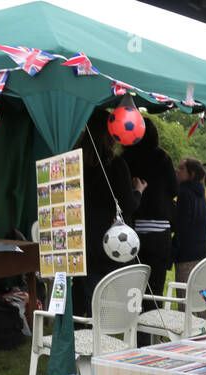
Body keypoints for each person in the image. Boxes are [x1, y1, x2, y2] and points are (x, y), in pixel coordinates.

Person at [74, 109, 142, 316]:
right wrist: (138, 191)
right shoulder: (116, 164)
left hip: (84, 237)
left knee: (89, 296)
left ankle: (88, 332)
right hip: (113, 239)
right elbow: (129, 205)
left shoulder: (74, 162)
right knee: (123, 295)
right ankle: (120, 329)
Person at [122, 118, 178, 299]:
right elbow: (174, 189)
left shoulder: (125, 158)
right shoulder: (164, 158)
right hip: (160, 232)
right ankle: (153, 323)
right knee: (155, 289)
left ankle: (135, 325)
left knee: (134, 289)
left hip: (132, 231)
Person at [173, 157, 206, 285]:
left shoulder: (184, 192)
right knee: (197, 298)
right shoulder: (199, 191)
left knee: (184, 297)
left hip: (187, 255)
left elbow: (182, 225)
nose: (177, 170)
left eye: (181, 168)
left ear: (192, 174)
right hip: (202, 252)